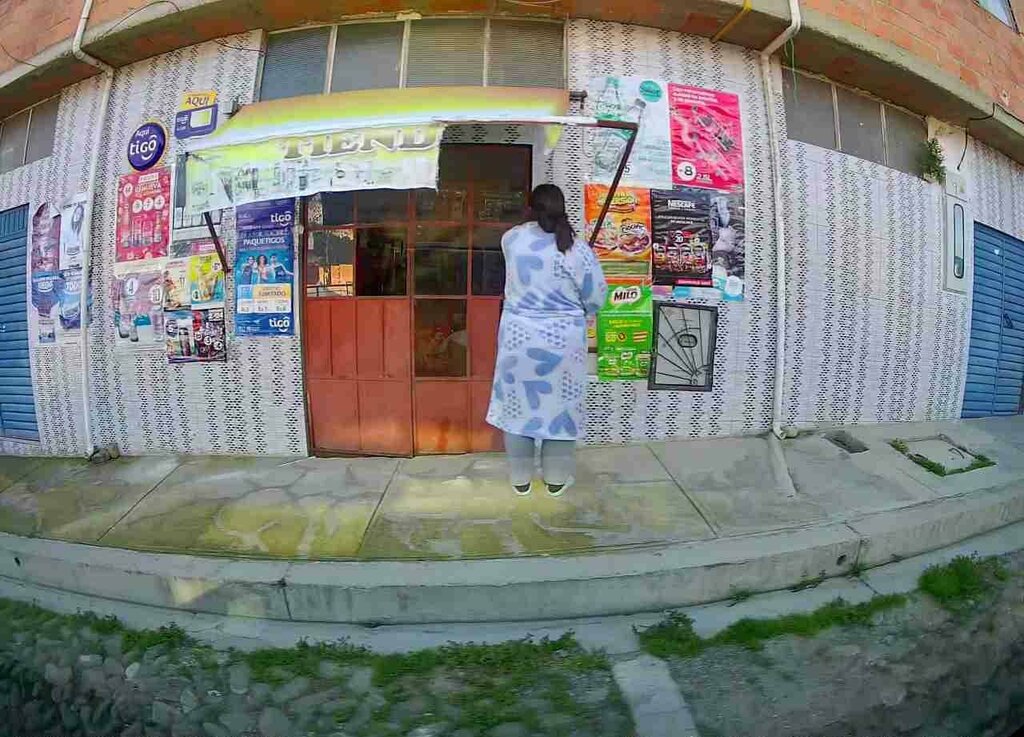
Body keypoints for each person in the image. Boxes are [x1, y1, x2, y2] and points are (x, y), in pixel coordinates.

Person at [486, 184, 607, 497]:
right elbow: (597, 298)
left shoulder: (511, 240)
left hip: (518, 340)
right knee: (560, 408)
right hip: (563, 344)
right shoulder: (578, 249)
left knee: (516, 409)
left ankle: (520, 481)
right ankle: (555, 480)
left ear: (529, 208)